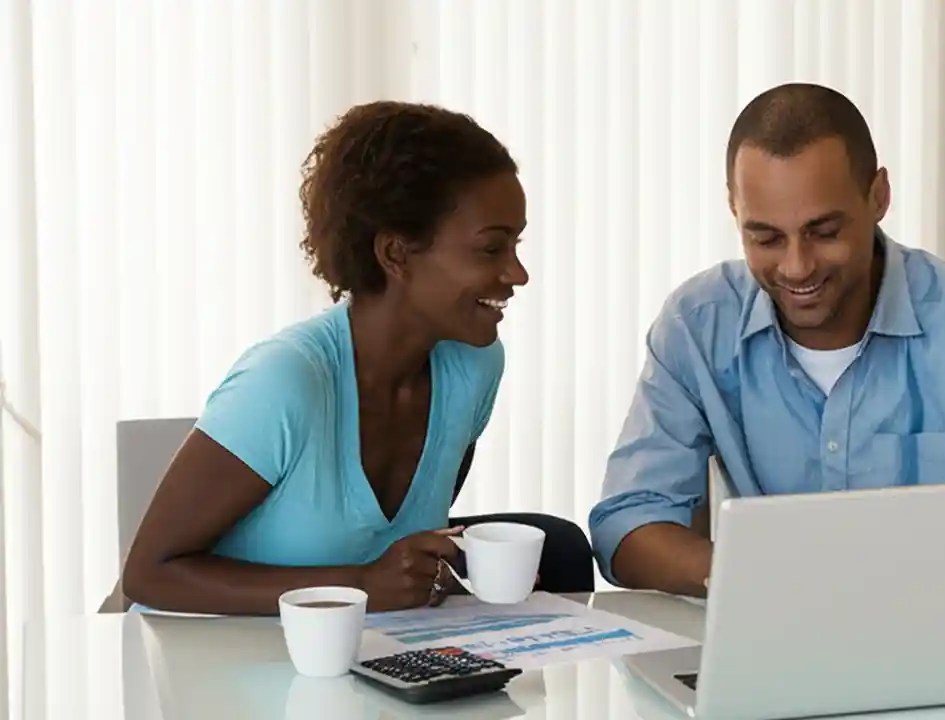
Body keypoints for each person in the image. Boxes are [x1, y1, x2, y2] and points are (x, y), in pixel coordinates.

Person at [588, 83, 945, 596]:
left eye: (825, 232)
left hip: (942, 632)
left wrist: (944, 577)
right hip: (769, 635)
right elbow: (628, 523)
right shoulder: (696, 325)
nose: (797, 266)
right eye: (766, 237)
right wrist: (767, 583)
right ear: (735, 208)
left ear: (878, 196)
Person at [122, 101, 593, 615]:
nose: (517, 273)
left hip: (342, 671)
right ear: (395, 255)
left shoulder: (475, 367)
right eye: (491, 249)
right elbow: (150, 574)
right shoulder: (285, 381)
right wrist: (363, 585)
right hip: (206, 673)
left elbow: (394, 548)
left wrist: (436, 572)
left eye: (516, 245)